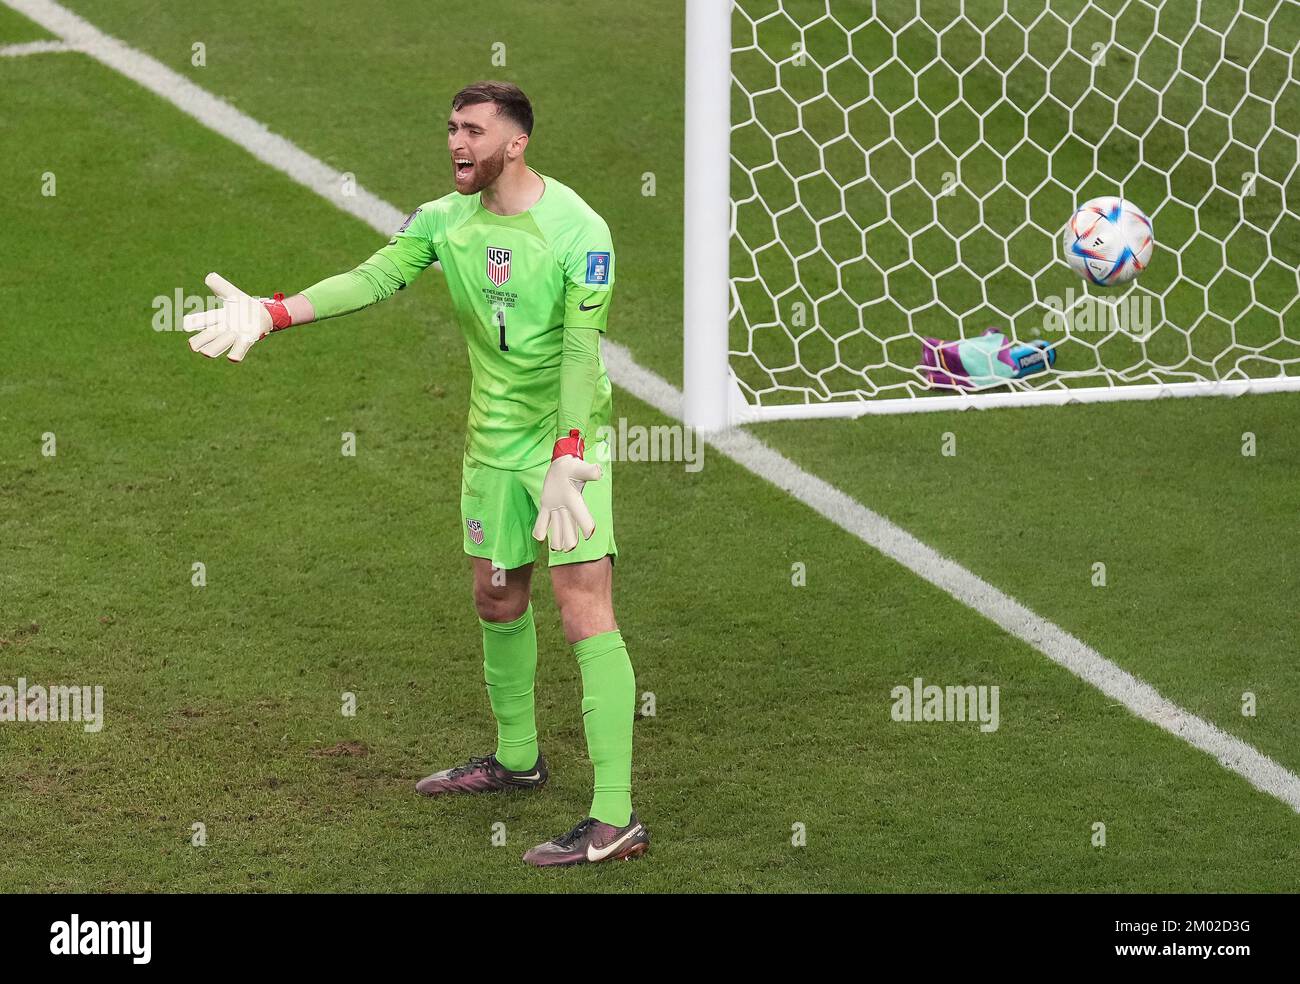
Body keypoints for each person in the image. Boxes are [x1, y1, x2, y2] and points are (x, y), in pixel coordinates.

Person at [182, 81, 646, 867]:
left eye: (473, 130)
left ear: (517, 142)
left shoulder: (578, 230)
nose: (458, 143)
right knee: (497, 595)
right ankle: (517, 758)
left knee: (582, 607)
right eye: (452, 130)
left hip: (567, 449)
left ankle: (614, 818)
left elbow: (578, 350)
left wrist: (570, 451)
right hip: (493, 444)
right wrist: (274, 311)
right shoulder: (443, 220)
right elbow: (372, 277)